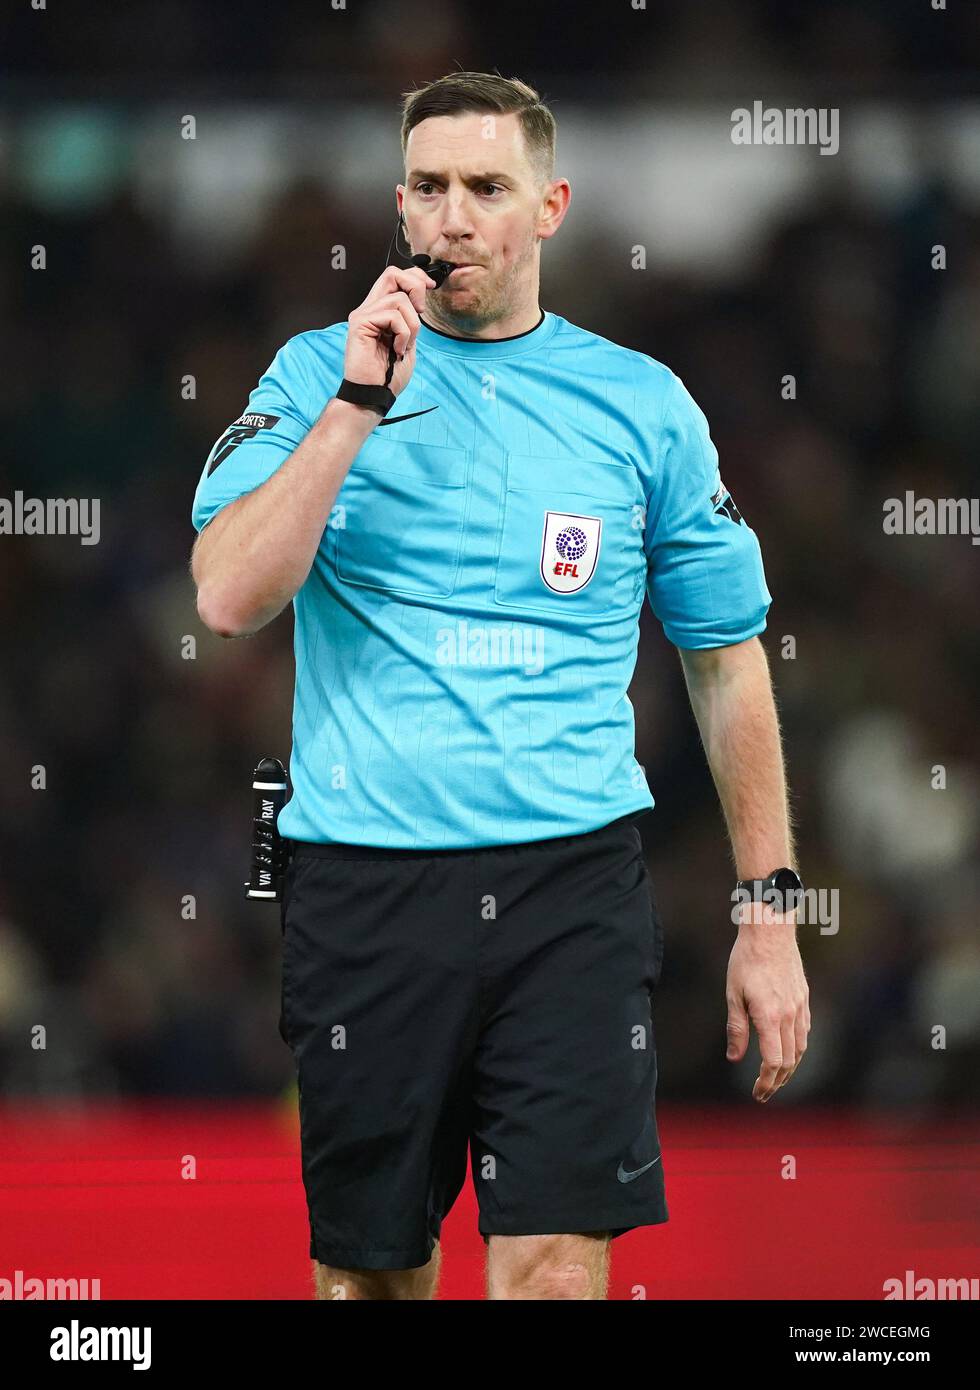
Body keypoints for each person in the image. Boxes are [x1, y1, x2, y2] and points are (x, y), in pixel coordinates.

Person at [189, 71, 809, 1301]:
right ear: (398, 205)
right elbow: (225, 596)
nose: (452, 217)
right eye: (427, 187)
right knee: (369, 1278)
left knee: (553, 1269)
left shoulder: (640, 405)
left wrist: (770, 905)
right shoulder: (317, 375)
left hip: (569, 888)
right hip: (363, 885)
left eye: (486, 188)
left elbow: (725, 655)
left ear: (550, 208)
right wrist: (358, 408)